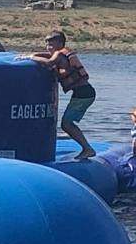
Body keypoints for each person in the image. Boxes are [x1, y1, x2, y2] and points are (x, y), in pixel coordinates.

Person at [24, 30, 96, 159]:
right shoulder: (62, 53)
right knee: (67, 124)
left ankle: (87, 149)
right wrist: (35, 53)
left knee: (66, 124)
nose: (48, 47)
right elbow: (49, 56)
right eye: (47, 44)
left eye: (51, 45)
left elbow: (49, 62)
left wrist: (31, 57)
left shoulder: (58, 55)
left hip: (83, 93)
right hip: (85, 92)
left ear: (60, 44)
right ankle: (86, 147)